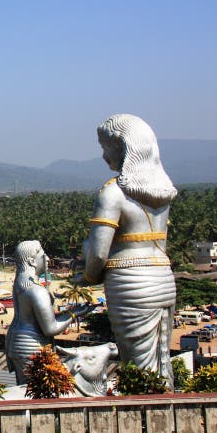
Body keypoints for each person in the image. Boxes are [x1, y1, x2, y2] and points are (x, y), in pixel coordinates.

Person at [73, 114, 177, 389]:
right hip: (163, 278)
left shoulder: (113, 193)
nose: (103, 154)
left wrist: (87, 276)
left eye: (105, 146)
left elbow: (97, 254)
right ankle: (166, 410)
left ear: (121, 146)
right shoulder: (163, 190)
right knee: (161, 359)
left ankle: (145, 422)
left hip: (130, 284)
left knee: (136, 364)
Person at [5, 240, 74, 385]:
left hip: (15, 341)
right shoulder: (36, 290)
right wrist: (73, 315)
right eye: (44, 256)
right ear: (32, 261)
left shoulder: (20, 283)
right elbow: (50, 329)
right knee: (38, 390)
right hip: (31, 345)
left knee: (24, 387)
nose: (48, 259)